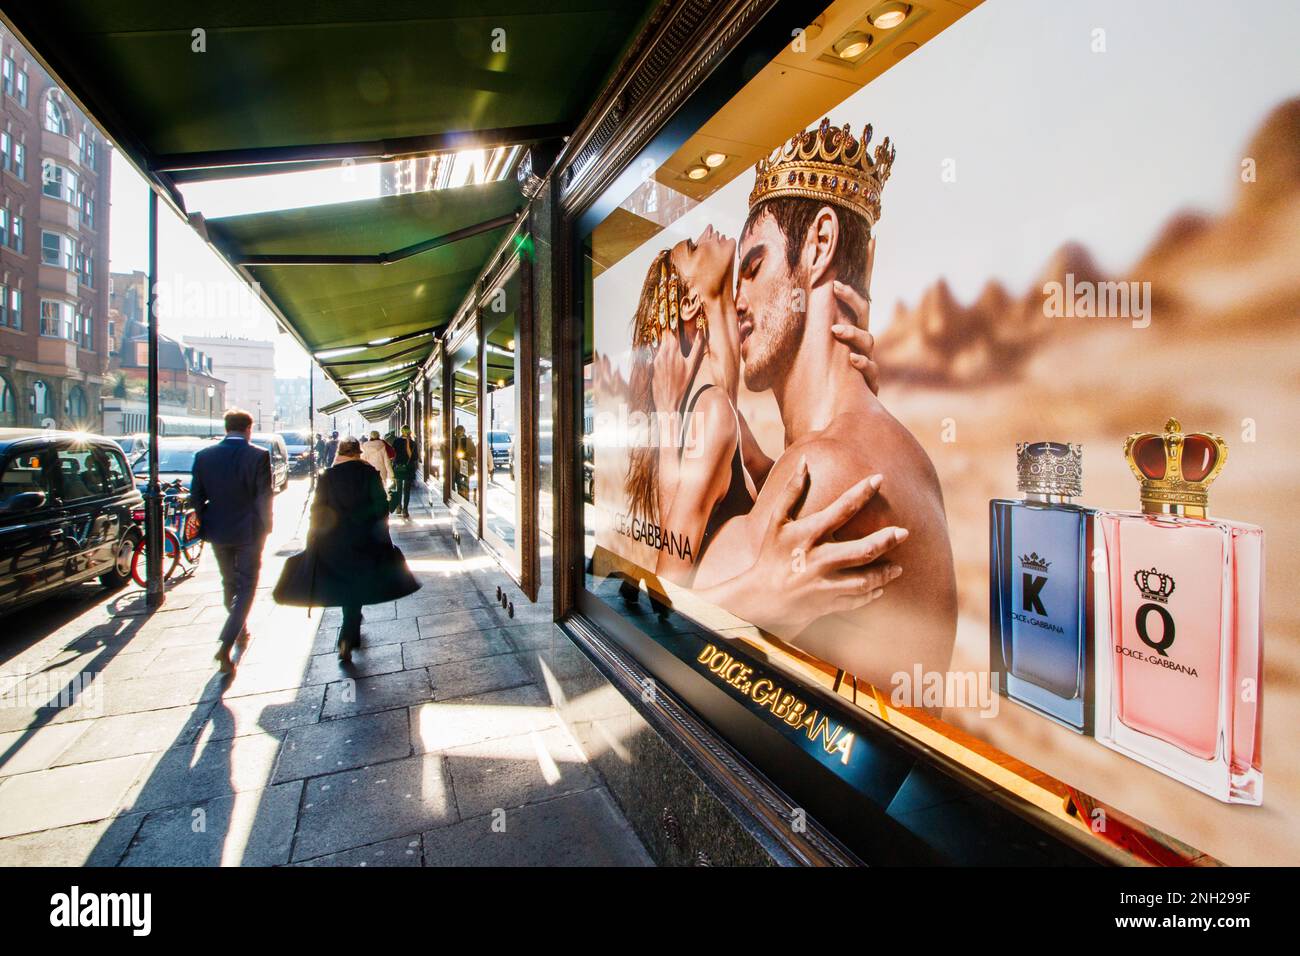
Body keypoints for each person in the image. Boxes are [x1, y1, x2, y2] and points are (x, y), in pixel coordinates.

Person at [691, 118, 958, 688]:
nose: (735, 299)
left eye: (753, 268)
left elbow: (679, 608)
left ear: (819, 245)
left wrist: (750, 595)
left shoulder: (828, 468)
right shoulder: (871, 447)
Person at [273, 438, 419, 661]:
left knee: (346, 582)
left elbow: (317, 511)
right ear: (358, 454)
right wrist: (388, 507)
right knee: (355, 583)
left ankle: (350, 629)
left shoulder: (326, 476)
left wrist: (314, 538)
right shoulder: (369, 474)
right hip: (364, 538)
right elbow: (381, 507)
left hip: (332, 540)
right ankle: (347, 635)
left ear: (339, 453)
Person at [188, 408, 274, 673]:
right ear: (249, 429)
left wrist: (206, 520)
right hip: (249, 530)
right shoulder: (258, 456)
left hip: (219, 530)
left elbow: (196, 496)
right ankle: (227, 643)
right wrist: (266, 525)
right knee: (247, 585)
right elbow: (264, 496)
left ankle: (239, 628)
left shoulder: (204, 456)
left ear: (227, 428)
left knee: (229, 582)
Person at [390, 425, 419, 517]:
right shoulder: (413, 443)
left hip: (398, 467)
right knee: (407, 489)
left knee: (399, 488)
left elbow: (392, 454)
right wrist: (407, 443)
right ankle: (405, 510)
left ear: (401, 431)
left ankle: (399, 506)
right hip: (409, 468)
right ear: (410, 432)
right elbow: (413, 457)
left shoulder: (396, 441)